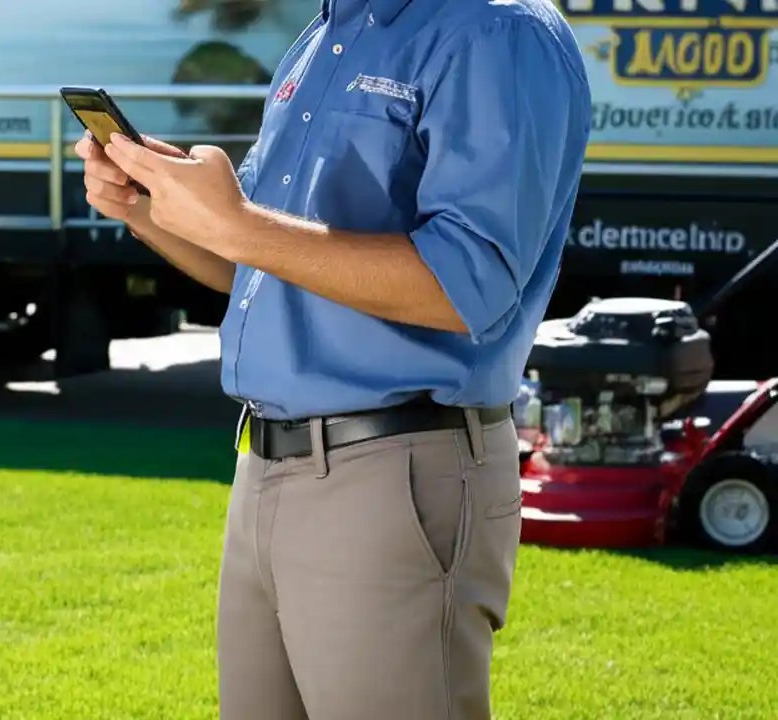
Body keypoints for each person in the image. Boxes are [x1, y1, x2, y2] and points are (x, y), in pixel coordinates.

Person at [75, 0, 591, 716]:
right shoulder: (324, 36)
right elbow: (256, 261)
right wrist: (146, 206)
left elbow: (468, 283)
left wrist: (241, 226)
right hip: (265, 468)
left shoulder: (497, 30)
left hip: (397, 471)